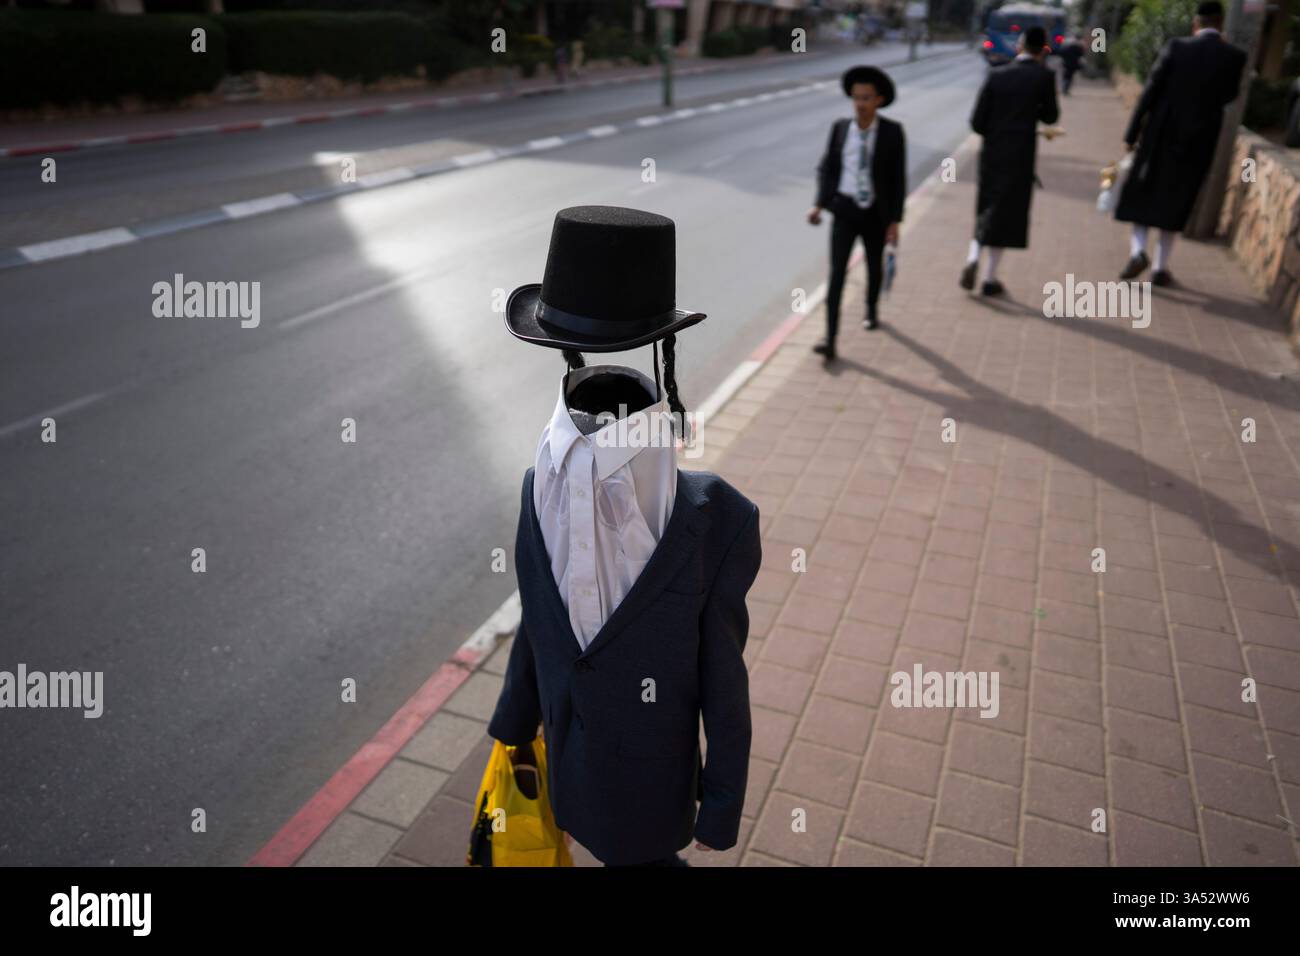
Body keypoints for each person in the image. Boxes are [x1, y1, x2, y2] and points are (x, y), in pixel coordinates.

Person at [490, 206, 762, 867]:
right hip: (566, 757)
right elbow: (540, 612)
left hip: (651, 783)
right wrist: (514, 723)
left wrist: (721, 802)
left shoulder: (718, 518)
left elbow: (724, 676)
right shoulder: (536, 483)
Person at [1114, 1, 1246, 287]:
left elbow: (1150, 91)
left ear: (1195, 24)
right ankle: (1161, 268)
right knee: (1177, 201)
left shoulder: (1176, 48)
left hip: (1160, 136)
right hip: (1199, 141)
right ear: (1221, 25)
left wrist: (1131, 133)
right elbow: (1229, 96)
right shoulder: (1235, 57)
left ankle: (1138, 252)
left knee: (1141, 196)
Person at [807, 65, 906, 362]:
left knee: (874, 266)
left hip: (876, 212)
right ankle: (830, 338)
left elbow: (897, 179)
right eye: (856, 98)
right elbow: (828, 169)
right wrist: (819, 204)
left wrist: (895, 220)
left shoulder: (892, 132)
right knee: (837, 273)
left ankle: (872, 308)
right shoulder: (840, 129)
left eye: (866, 98)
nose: (860, 103)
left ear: (879, 100)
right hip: (845, 210)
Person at [960, 25, 1059, 296]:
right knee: (1008, 214)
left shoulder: (997, 75)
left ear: (1020, 46)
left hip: (992, 151)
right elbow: (1051, 117)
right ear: (1043, 49)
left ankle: (972, 259)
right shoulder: (1044, 77)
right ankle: (990, 277)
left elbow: (976, 122)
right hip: (1021, 154)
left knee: (987, 206)